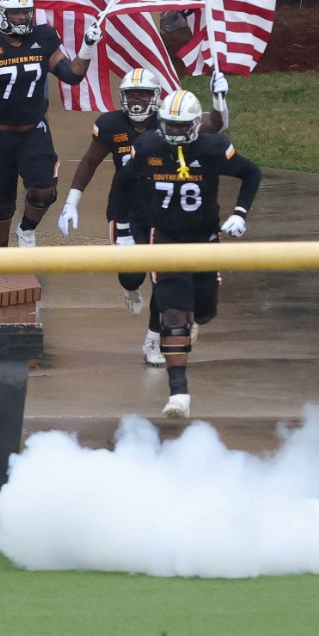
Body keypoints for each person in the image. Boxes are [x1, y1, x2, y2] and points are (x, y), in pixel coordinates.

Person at [110, 89, 261, 419]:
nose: (174, 132)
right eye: (170, 125)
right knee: (173, 313)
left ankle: (194, 320)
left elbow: (251, 173)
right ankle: (179, 393)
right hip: (164, 238)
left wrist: (239, 212)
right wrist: (122, 231)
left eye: (181, 126)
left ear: (195, 124)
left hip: (204, 239)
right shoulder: (148, 146)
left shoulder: (213, 148)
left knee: (204, 310)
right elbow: (122, 183)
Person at [61, 67, 228, 366]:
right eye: (132, 94)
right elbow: (90, 161)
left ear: (156, 96)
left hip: (162, 208)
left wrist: (219, 99)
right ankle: (130, 289)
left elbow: (215, 124)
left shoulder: (169, 121)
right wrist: (72, 201)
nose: (137, 99)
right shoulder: (110, 124)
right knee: (131, 274)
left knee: (161, 277)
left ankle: (153, 338)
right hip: (125, 208)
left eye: (143, 93)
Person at [0, 0, 99, 248]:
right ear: (0, 13)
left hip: (32, 129)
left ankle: (26, 230)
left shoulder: (43, 37)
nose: (24, 18)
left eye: (26, 12)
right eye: (16, 14)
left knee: (44, 188)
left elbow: (72, 75)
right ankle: (0, 252)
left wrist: (87, 47)